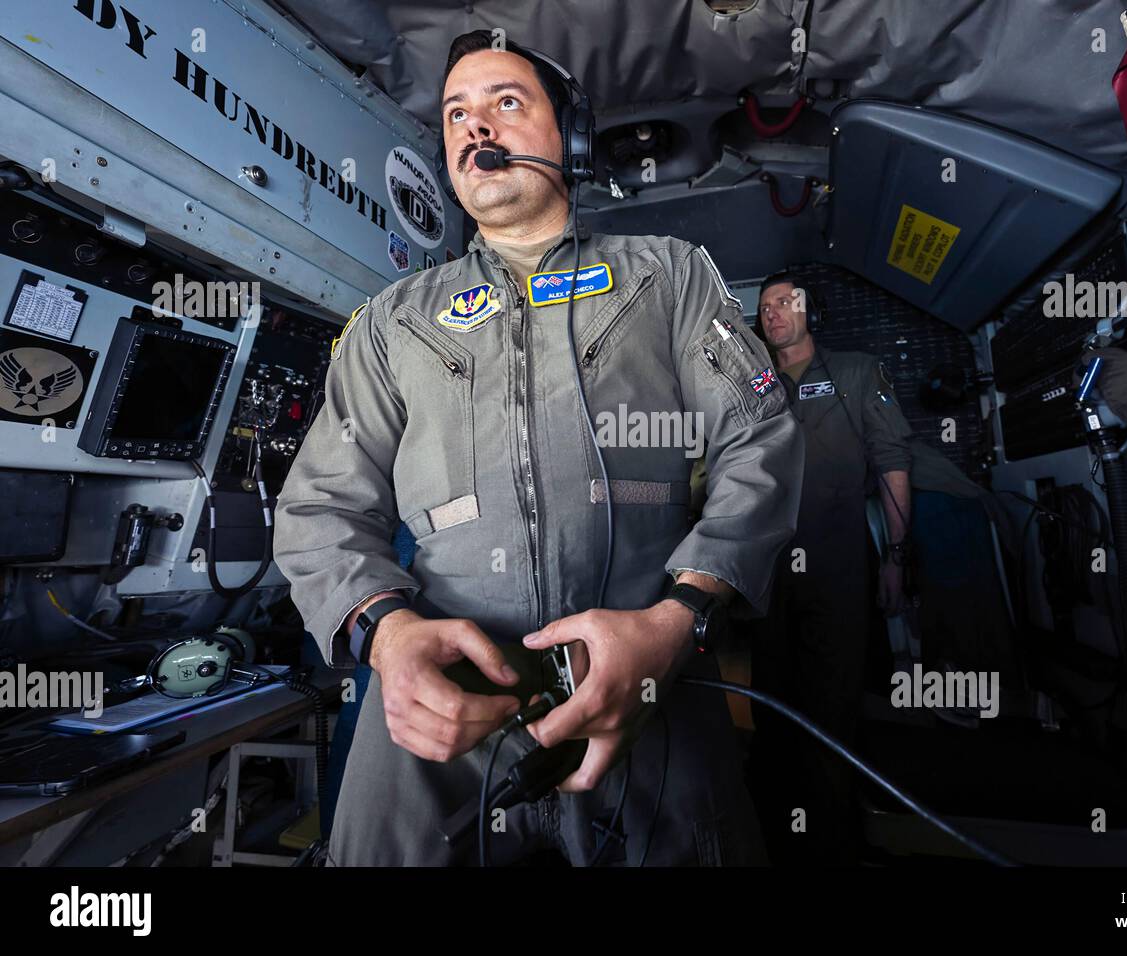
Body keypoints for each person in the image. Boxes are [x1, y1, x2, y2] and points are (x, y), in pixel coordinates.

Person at [273, 31, 803, 866]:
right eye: (456, 115)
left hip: (649, 689)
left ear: (572, 139)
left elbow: (758, 443)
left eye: (505, 103)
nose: (475, 128)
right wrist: (384, 637)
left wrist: (680, 620)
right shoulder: (391, 322)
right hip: (442, 719)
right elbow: (319, 505)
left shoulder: (666, 277)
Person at [745, 271, 989, 863]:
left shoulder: (856, 372)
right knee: (771, 695)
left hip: (837, 557)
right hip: (767, 563)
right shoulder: (754, 384)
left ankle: (833, 832)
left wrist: (896, 556)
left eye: (785, 302)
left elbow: (891, 462)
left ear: (813, 313)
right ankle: (773, 829)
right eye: (765, 306)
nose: (773, 313)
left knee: (833, 694)